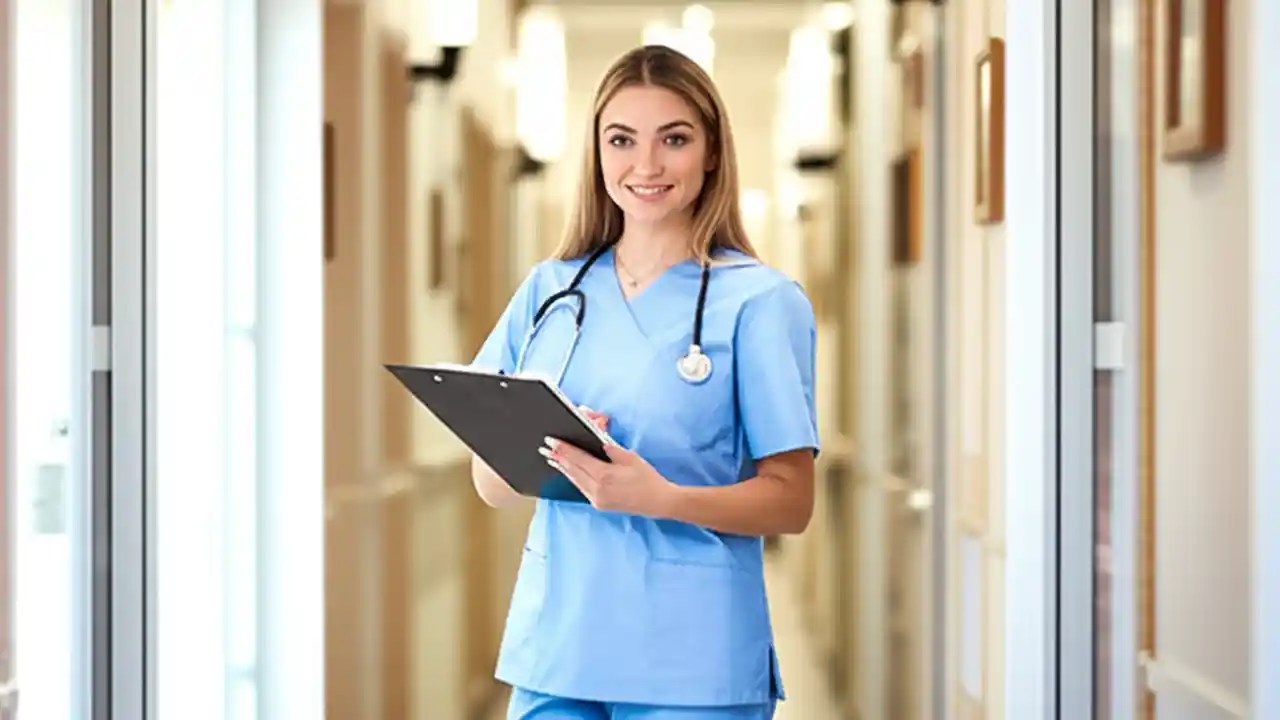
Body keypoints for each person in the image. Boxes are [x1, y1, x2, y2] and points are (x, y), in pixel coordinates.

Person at [469, 44, 820, 720]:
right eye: (622, 140)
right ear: (598, 154)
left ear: (712, 152)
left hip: (692, 659)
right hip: (558, 648)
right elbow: (491, 484)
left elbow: (790, 502)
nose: (647, 165)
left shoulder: (758, 302)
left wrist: (657, 496)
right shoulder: (551, 289)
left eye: (675, 139)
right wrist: (552, 451)